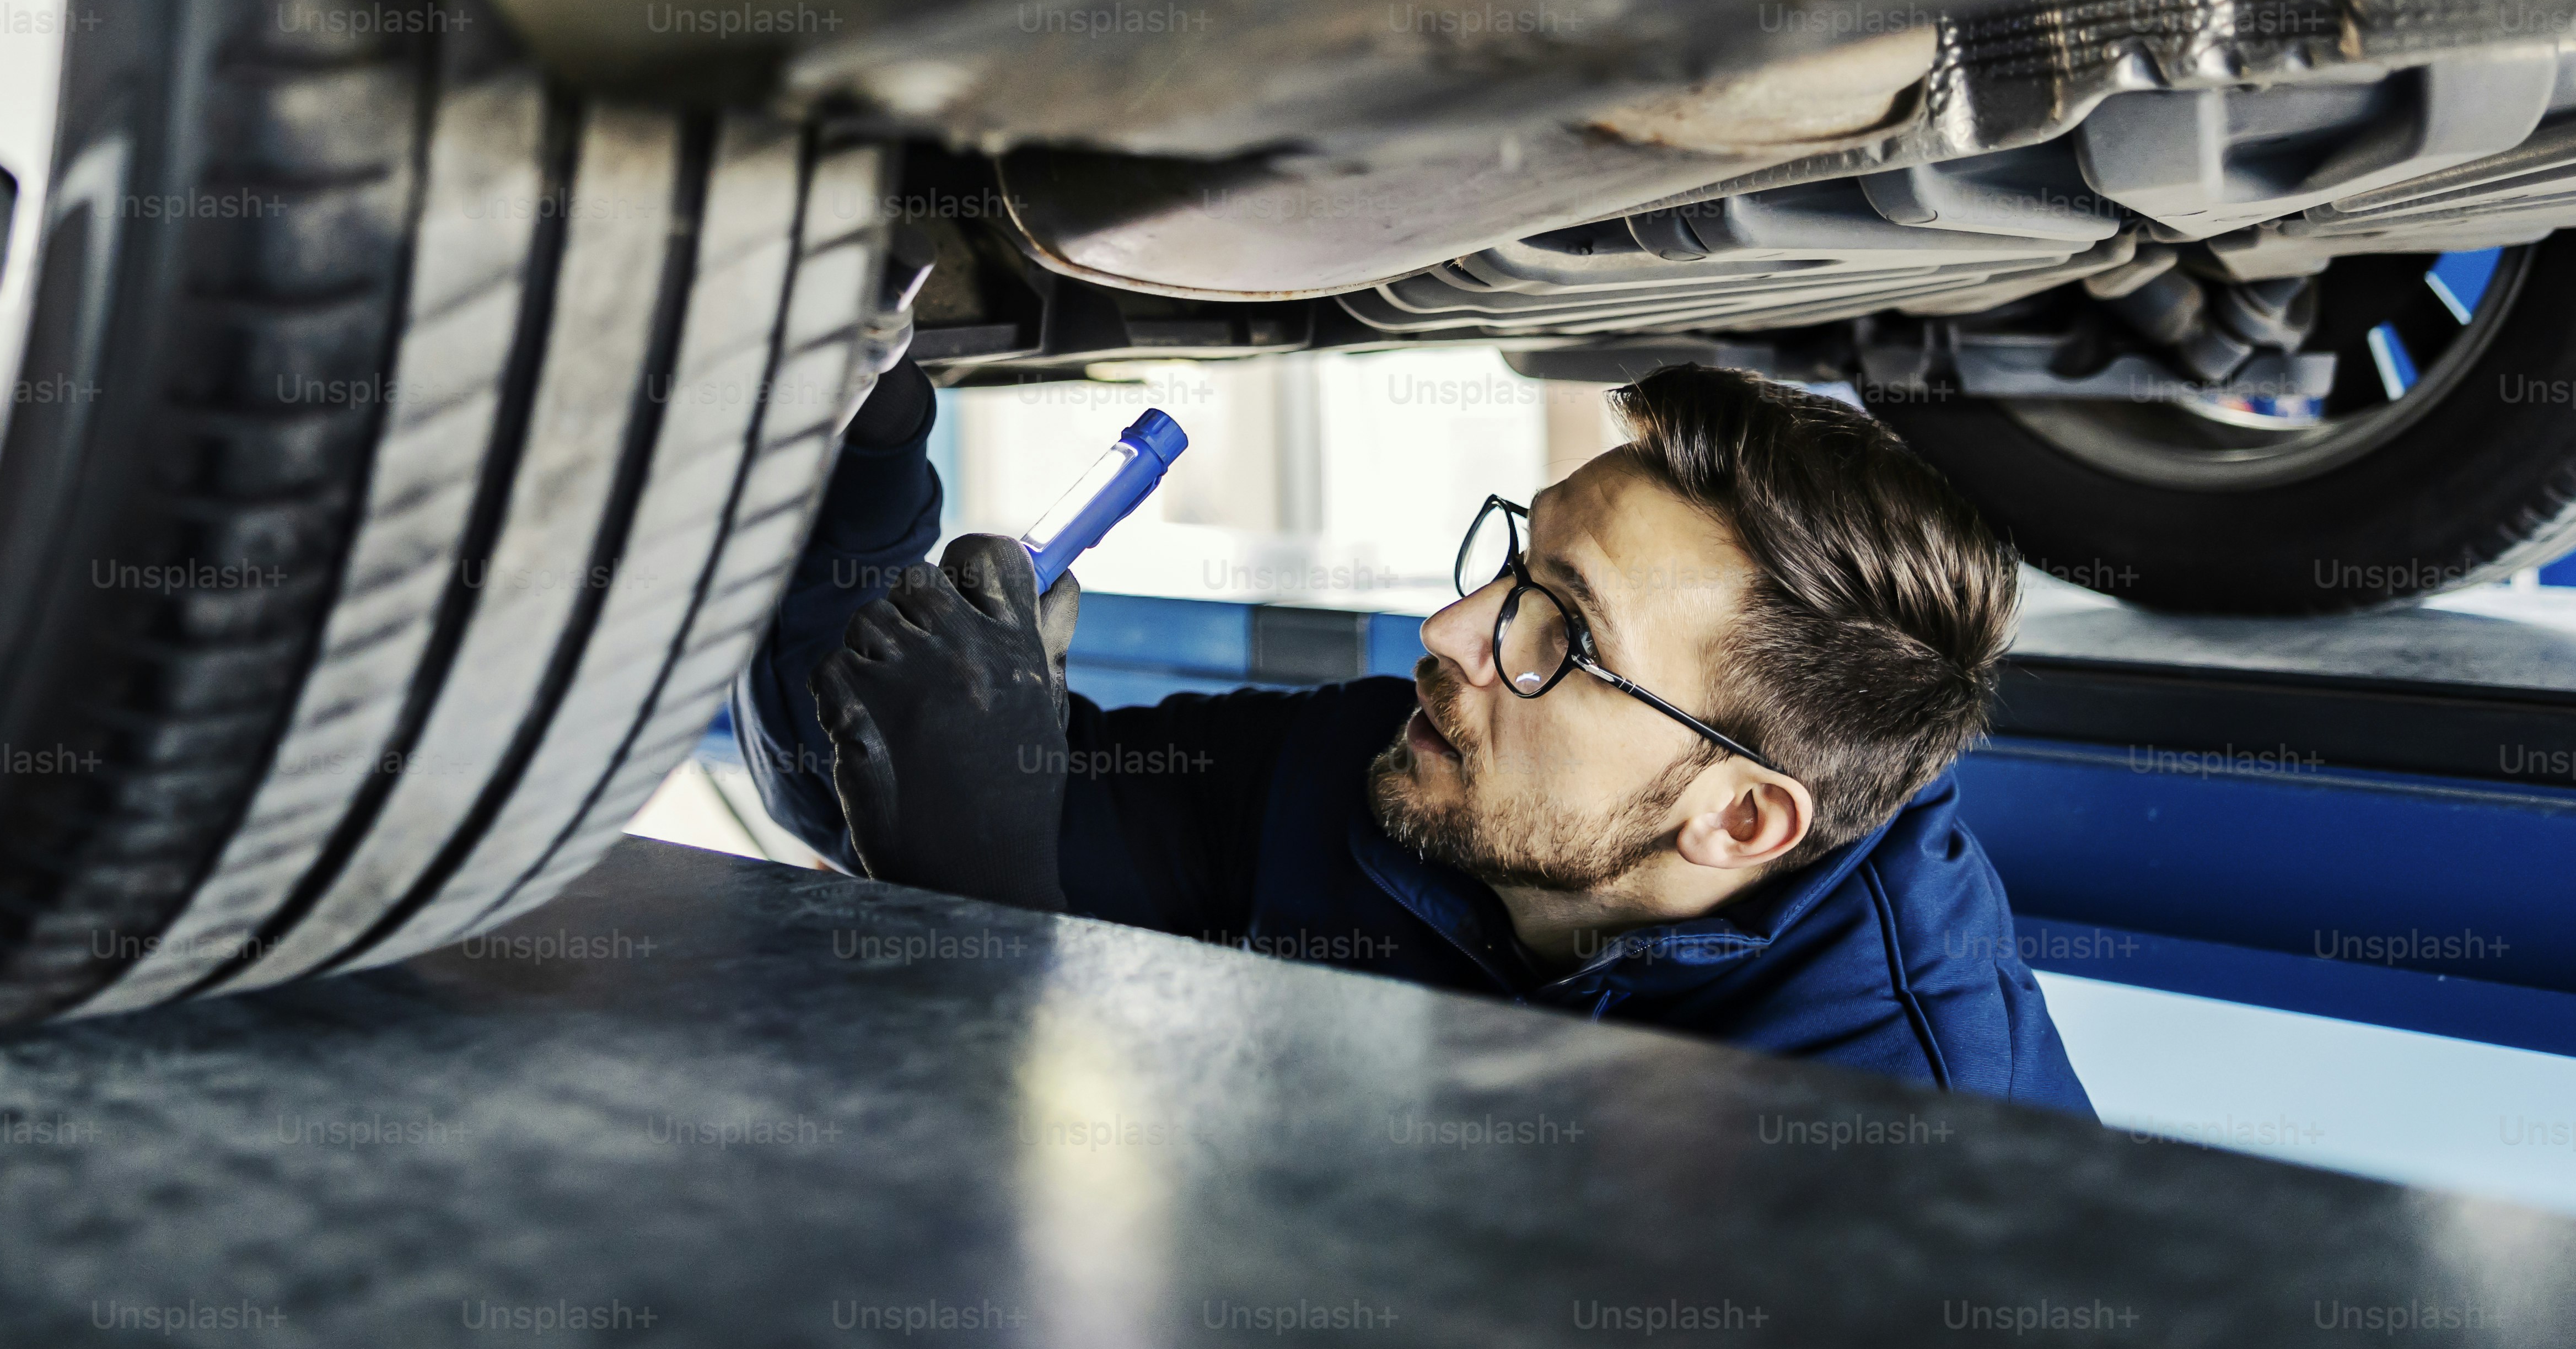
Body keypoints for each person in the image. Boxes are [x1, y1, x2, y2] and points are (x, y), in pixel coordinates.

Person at [730, 360, 2091, 1111]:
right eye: (1516, 560)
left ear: (1738, 816)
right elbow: (866, 769)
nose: (1449, 627)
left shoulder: (1908, 1131)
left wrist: (984, 915)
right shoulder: (1394, 779)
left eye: (1561, 631)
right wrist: (862, 463)